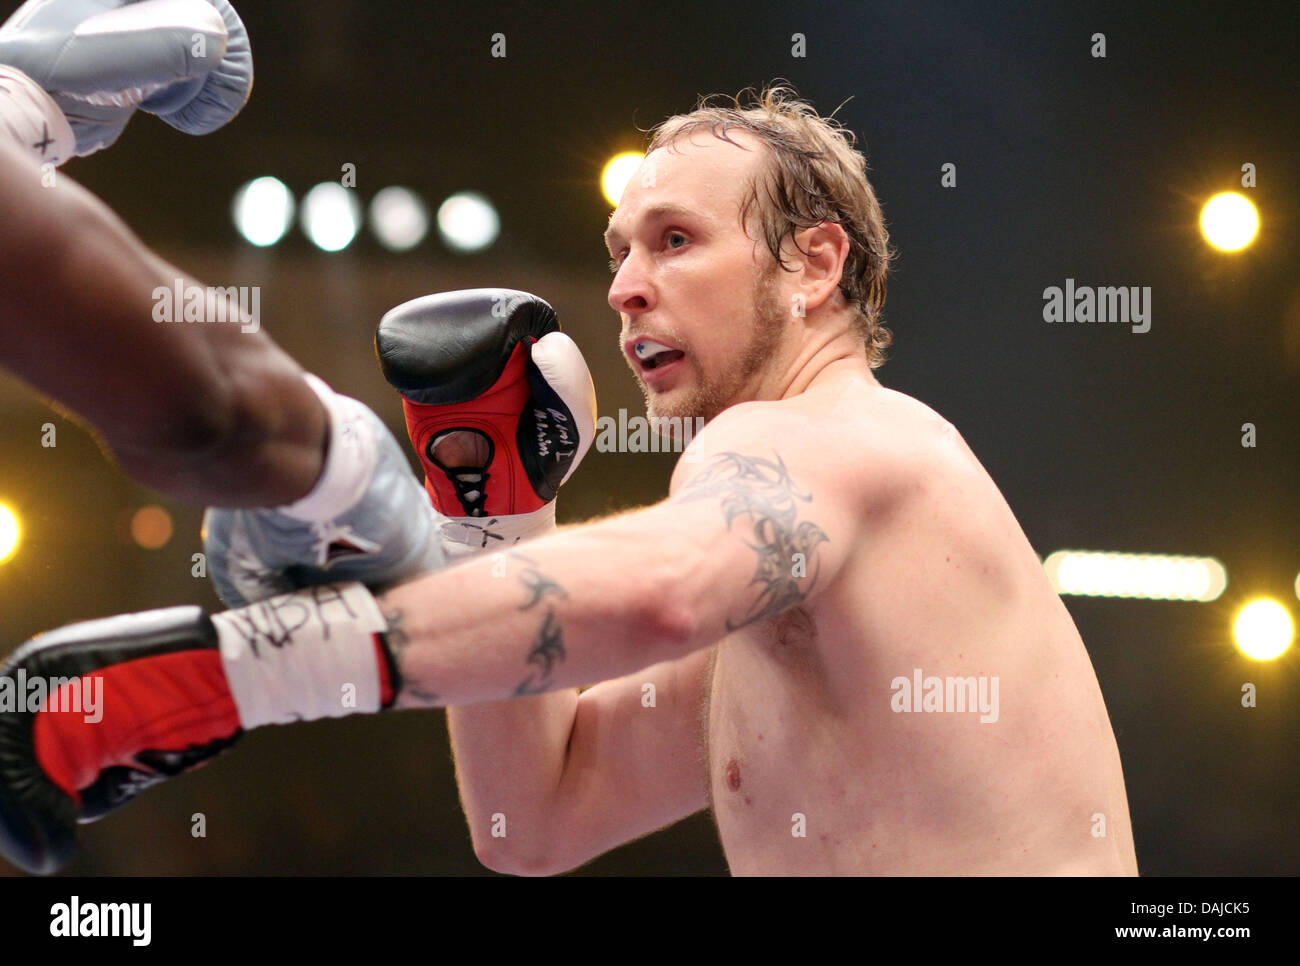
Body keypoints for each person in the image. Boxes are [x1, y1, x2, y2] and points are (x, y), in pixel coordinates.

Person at [0, 81, 1140, 876]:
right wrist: (496, 520)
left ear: (813, 262)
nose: (626, 286)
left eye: (675, 240)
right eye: (620, 250)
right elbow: (532, 821)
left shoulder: (840, 438)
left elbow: (659, 591)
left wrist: (237, 671)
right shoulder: (787, 598)